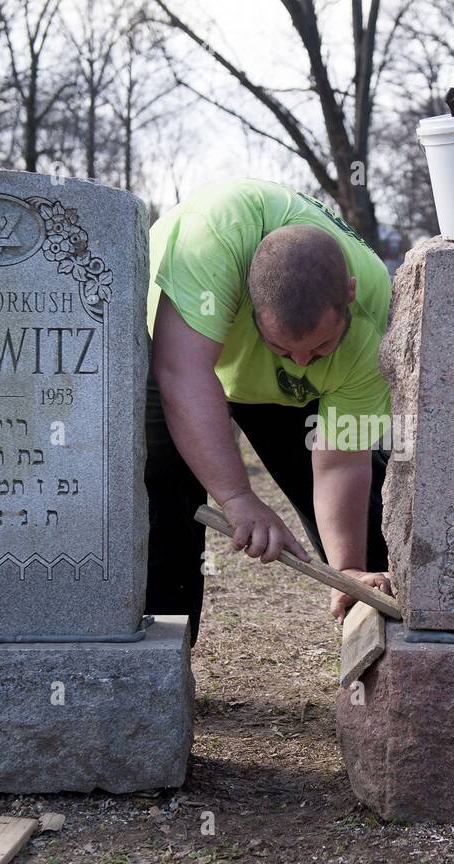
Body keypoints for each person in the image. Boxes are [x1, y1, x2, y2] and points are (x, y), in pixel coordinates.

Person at [144, 178, 393, 642]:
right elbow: (183, 374)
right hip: (178, 354)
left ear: (350, 299)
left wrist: (351, 568)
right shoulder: (210, 249)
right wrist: (238, 498)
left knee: (372, 541)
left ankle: (372, 641)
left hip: (258, 369)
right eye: (283, 346)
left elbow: (341, 456)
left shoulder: (372, 316)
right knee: (164, 500)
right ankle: (161, 663)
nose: (300, 362)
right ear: (247, 307)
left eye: (319, 347)